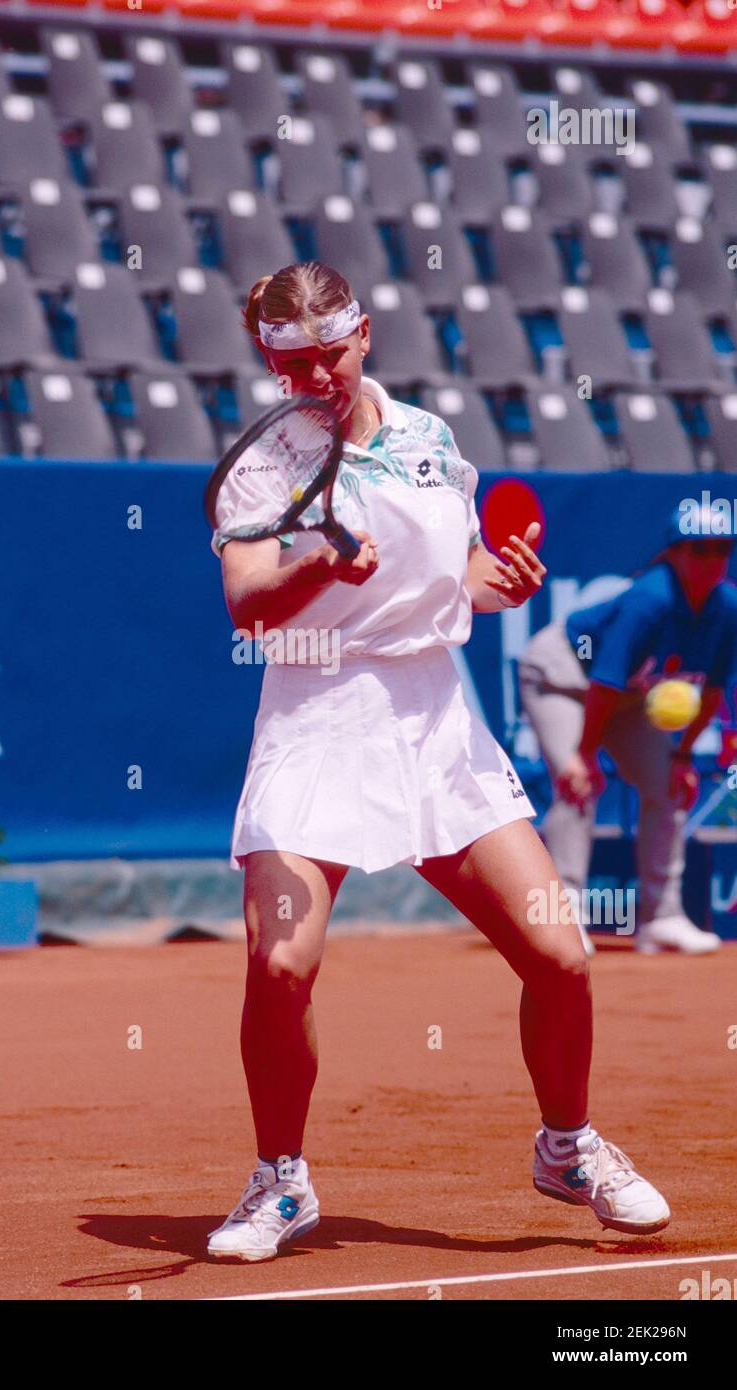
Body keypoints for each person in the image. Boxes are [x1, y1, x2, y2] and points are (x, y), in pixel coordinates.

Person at [205, 260, 670, 1263]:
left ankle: (564, 1147)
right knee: (277, 964)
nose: (315, 375)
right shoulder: (263, 462)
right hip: (313, 714)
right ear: (268, 361)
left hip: (432, 724)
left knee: (559, 955)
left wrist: (494, 580)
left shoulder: (428, 439)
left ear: (363, 335)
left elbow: (454, 580)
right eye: (293, 364)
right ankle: (280, 1180)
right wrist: (315, 564)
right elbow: (247, 603)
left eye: (331, 353)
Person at [518, 506, 736, 957]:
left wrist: (682, 759)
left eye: (722, 549)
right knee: (576, 786)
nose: (711, 559)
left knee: (671, 789)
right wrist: (585, 755)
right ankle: (564, 920)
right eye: (699, 549)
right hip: (559, 676)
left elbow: (712, 690)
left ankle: (663, 918)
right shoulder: (650, 600)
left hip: (622, 697)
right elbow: (603, 682)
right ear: (675, 554)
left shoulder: (727, 608)